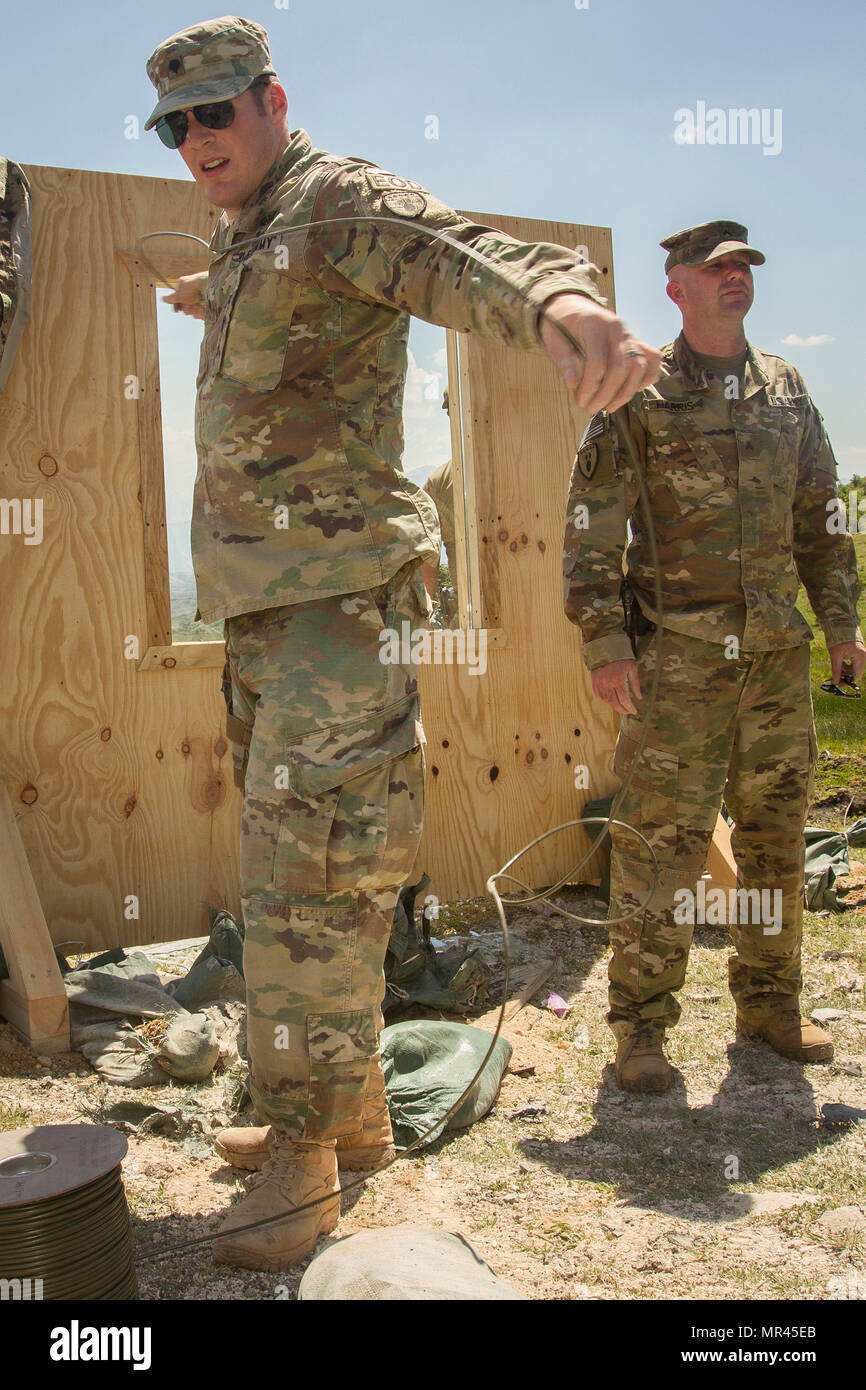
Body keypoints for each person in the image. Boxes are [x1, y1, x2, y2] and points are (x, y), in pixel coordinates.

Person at [143, 14, 659, 1268]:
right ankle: (353, 1112)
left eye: (215, 112)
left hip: (340, 608)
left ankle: (301, 1172)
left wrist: (561, 302)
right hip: (271, 609)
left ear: (271, 98)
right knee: (315, 864)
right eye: (174, 126)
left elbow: (452, 254)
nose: (196, 141)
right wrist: (217, 289)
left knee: (306, 879)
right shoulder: (258, 231)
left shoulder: (336, 200)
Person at [563, 220, 864, 1094]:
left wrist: (841, 627)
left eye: (743, 267)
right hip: (679, 661)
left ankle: (770, 1006)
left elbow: (823, 521)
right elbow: (590, 529)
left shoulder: (787, 391)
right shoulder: (640, 395)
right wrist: (607, 645)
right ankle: (643, 1031)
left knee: (774, 842)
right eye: (715, 269)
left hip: (775, 658)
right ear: (676, 288)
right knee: (662, 845)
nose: (734, 279)